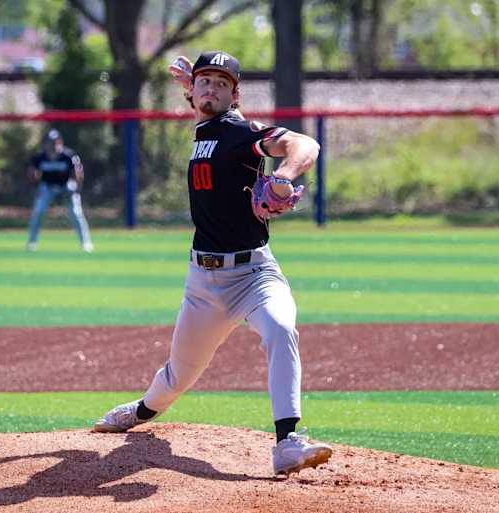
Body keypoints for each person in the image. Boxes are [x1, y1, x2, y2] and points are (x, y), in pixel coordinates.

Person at [93, 51, 332, 476]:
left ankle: (287, 443)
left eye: (222, 83)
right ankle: (143, 412)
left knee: (280, 329)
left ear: (235, 94)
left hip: (254, 274)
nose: (210, 88)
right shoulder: (207, 124)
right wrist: (197, 81)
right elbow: (206, 104)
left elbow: (304, 144)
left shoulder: (240, 131)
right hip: (203, 282)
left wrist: (283, 176)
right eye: (205, 81)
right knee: (178, 374)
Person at [25, 129, 95, 252]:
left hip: (66, 186)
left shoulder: (68, 155)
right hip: (47, 187)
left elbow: (78, 173)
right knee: (38, 212)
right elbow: (32, 173)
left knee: (76, 213)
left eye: (55, 142)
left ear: (60, 142)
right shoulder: (40, 157)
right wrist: (35, 187)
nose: (52, 145)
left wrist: (77, 189)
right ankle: (32, 242)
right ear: (45, 143)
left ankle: (86, 243)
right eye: (49, 142)